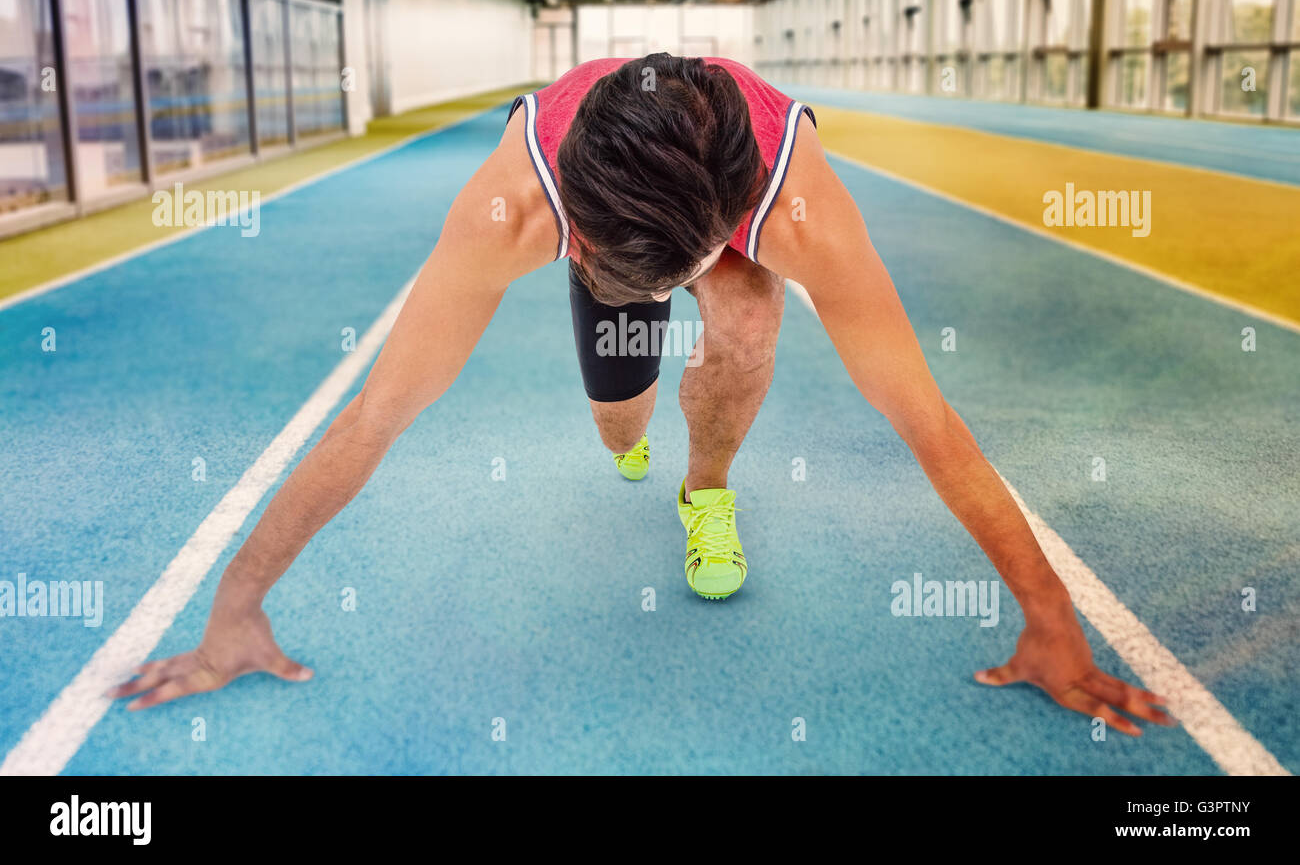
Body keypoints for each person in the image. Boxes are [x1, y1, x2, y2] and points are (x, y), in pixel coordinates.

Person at [113, 54, 1173, 736]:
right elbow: (373, 414)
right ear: (572, 228)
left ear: (724, 228)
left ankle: (703, 491)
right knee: (619, 411)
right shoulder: (513, 207)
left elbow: (926, 422)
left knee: (751, 323)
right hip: (612, 216)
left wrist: (1048, 619)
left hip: (705, 218)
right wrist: (233, 613)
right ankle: (630, 434)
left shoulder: (798, 213)